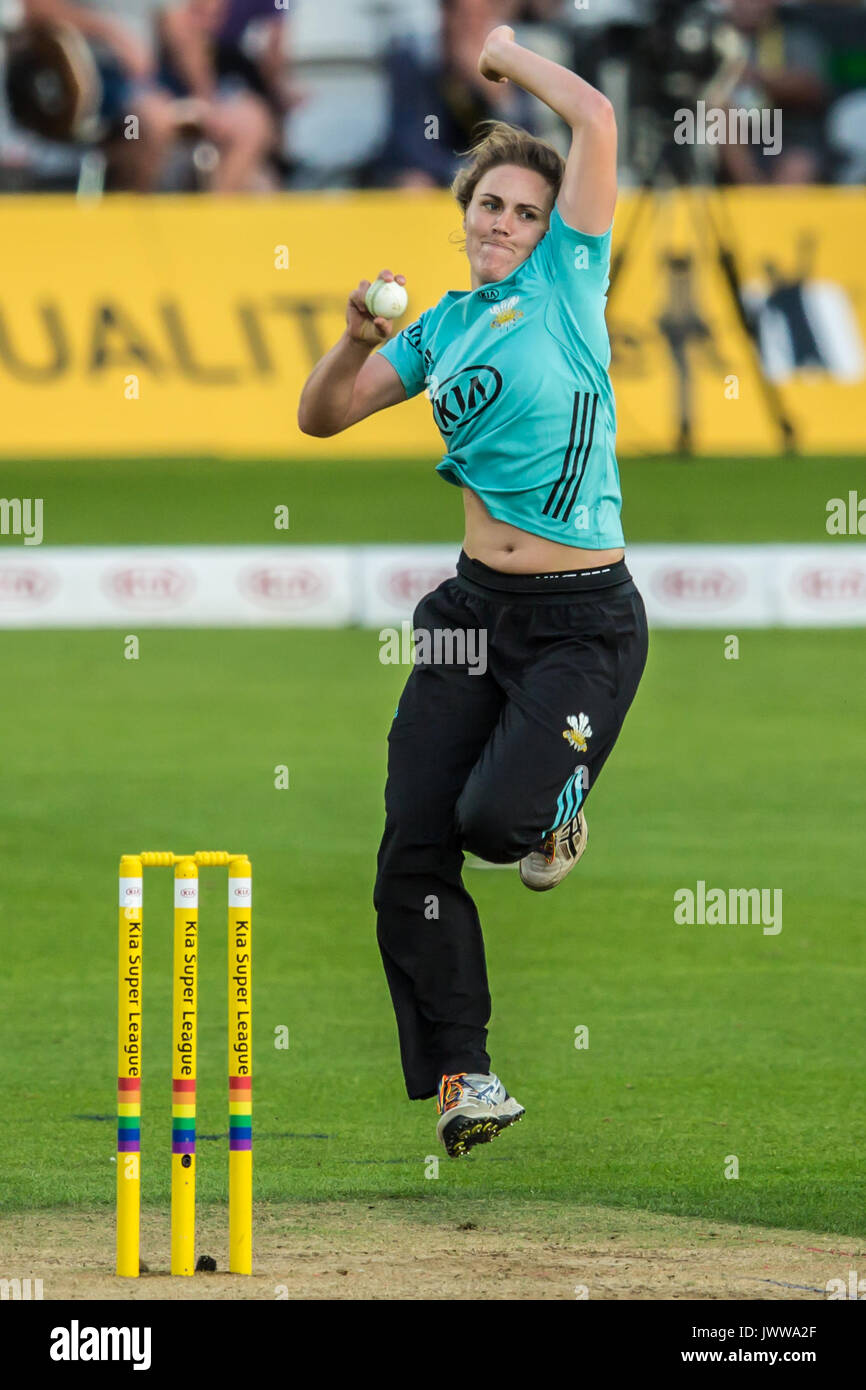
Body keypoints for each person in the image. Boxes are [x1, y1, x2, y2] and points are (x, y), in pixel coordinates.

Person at [298, 26, 648, 1159]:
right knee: (409, 849)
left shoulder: (567, 283)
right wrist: (350, 342)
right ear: (464, 218)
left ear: (555, 234)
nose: (500, 223)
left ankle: (554, 812)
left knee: (494, 821)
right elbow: (323, 416)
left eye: (521, 211)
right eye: (486, 206)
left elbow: (593, 119)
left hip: (583, 619)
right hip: (464, 618)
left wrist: (502, 52)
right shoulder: (441, 327)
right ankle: (466, 1073)